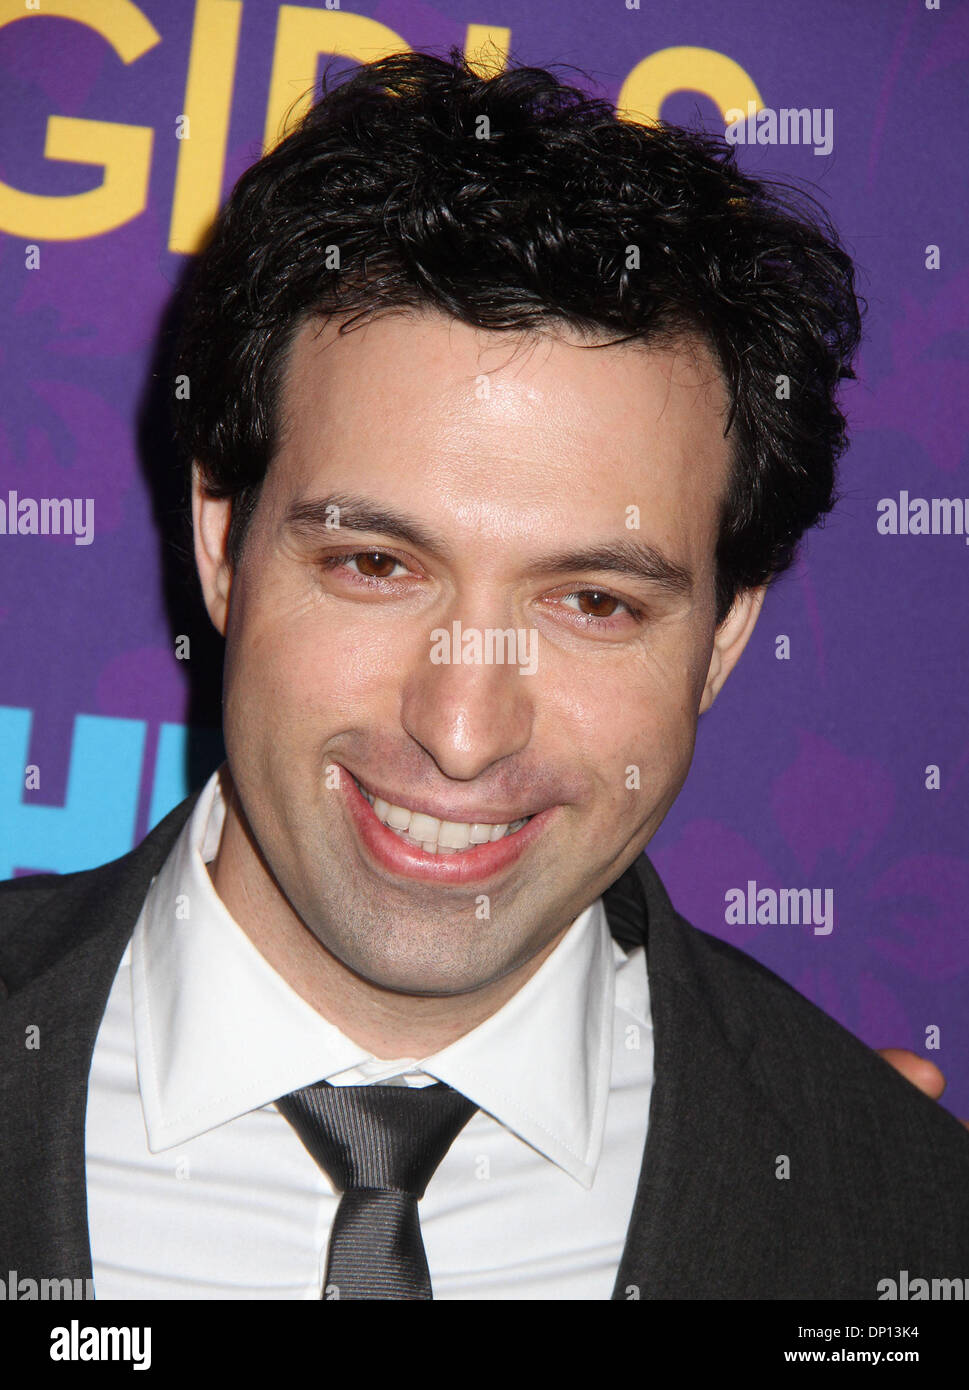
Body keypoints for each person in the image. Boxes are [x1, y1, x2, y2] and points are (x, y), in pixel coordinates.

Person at [1, 49, 967, 1302]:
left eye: (592, 602)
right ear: (221, 537)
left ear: (725, 633)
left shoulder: (897, 1221)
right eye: (373, 564)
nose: (462, 727)